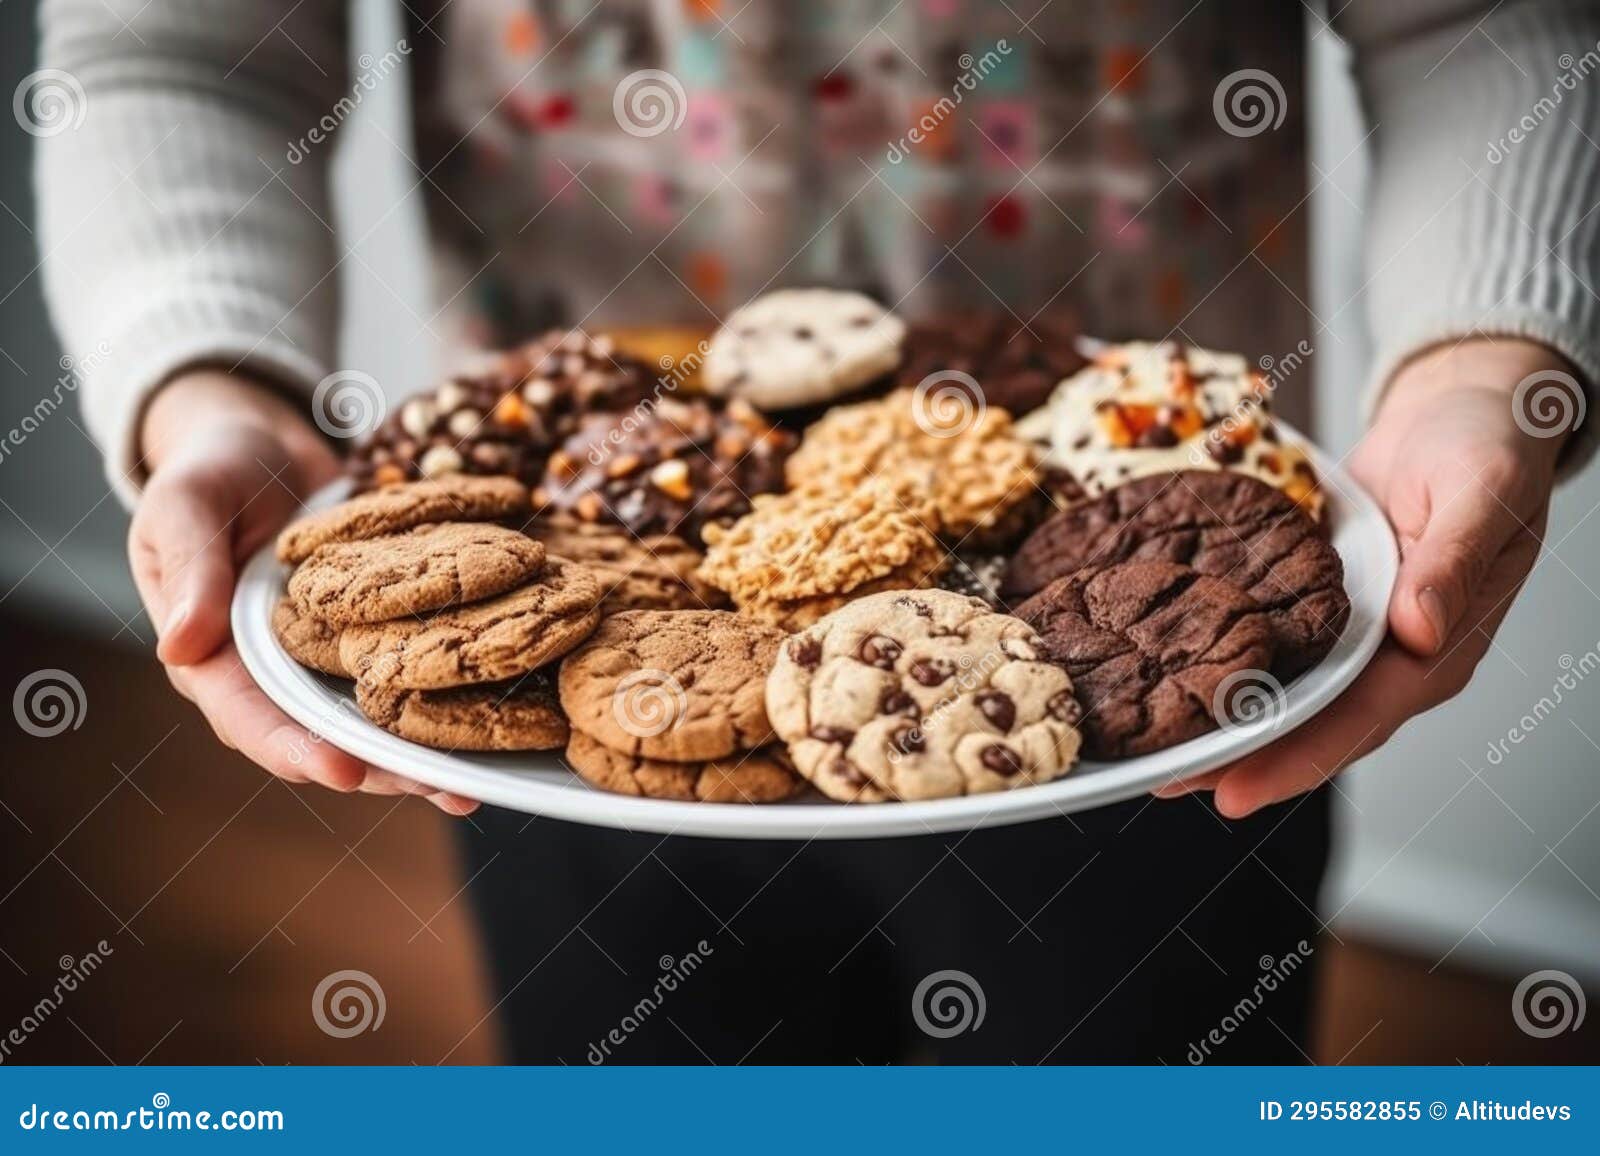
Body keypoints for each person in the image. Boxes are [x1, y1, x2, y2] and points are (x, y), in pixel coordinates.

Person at [36, 1, 1596, 1062]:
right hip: (584, 665)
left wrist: (1483, 366)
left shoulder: (1155, 624)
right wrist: (212, 393)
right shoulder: (536, 652)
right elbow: (183, 45)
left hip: (1140, 699)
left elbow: (1487, 21)